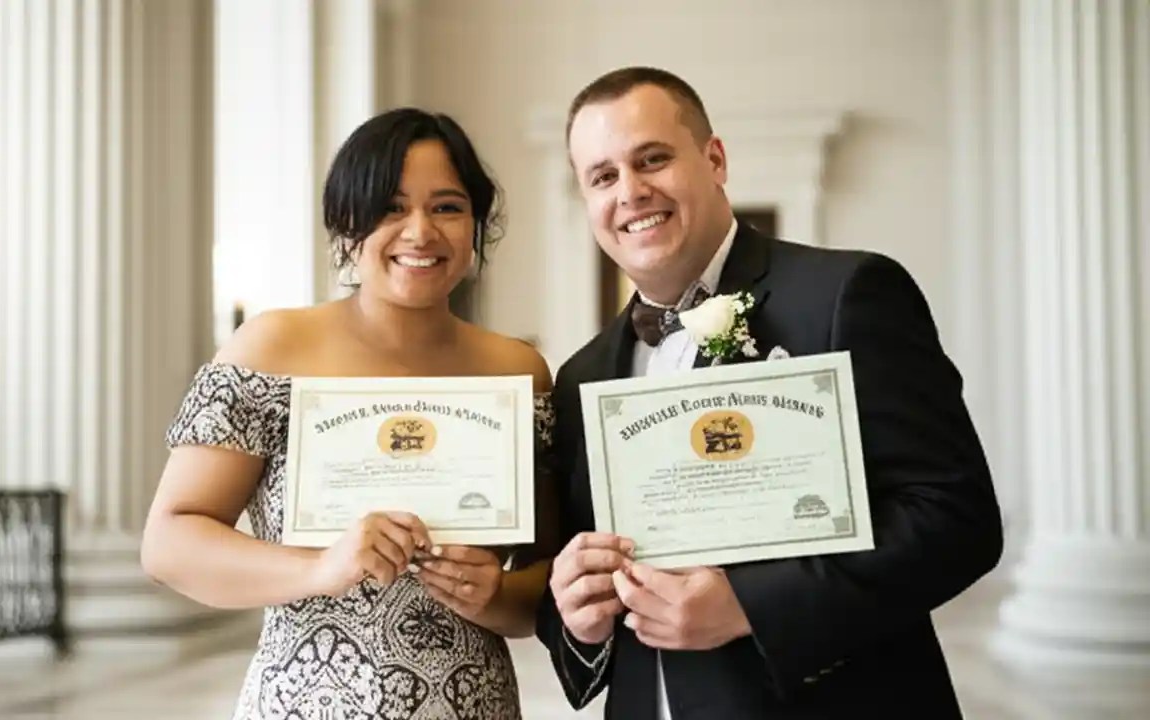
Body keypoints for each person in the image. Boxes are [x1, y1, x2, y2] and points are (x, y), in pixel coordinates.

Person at [536, 66, 1004, 719]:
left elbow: (956, 519)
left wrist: (749, 607)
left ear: (715, 160)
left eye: (652, 159)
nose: (631, 191)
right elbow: (585, 593)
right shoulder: (582, 375)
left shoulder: (846, 295)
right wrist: (578, 620)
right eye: (603, 176)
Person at [141, 108, 555, 720]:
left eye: (446, 207)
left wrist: (493, 595)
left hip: (473, 703)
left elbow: (547, 581)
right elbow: (168, 543)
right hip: (305, 702)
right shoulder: (272, 349)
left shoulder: (516, 373)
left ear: (476, 224)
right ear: (345, 225)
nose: (420, 231)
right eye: (390, 208)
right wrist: (322, 567)